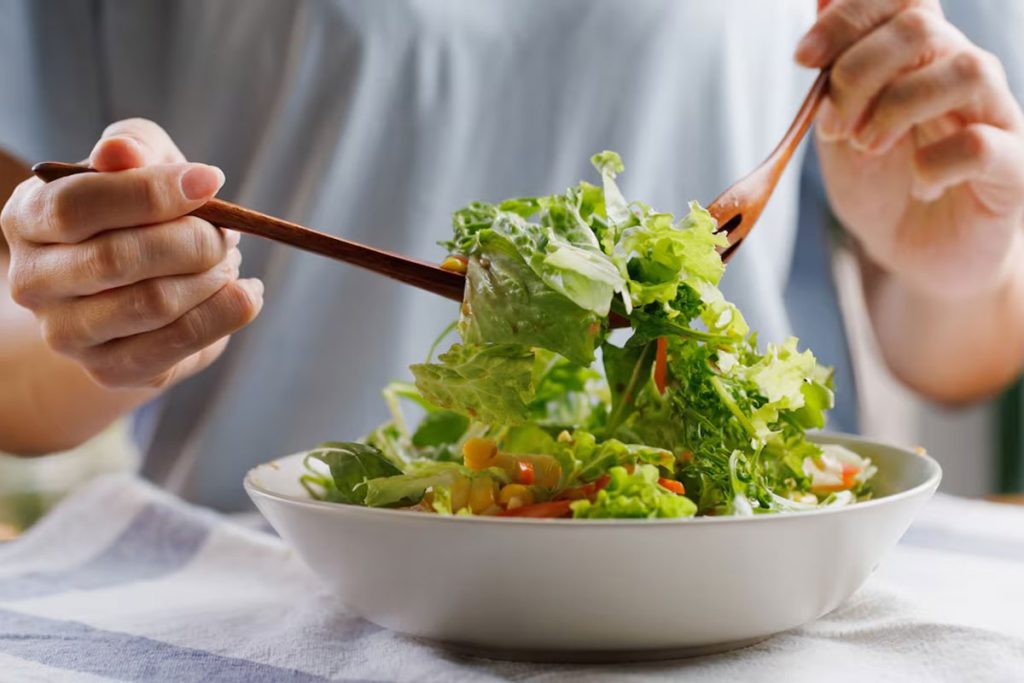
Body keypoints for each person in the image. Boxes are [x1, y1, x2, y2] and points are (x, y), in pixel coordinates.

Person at [2, 0, 1023, 509]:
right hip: (256, 592)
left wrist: (957, 265)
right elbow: (17, 372)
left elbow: (960, 350)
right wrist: (104, 308)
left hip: (742, 575)